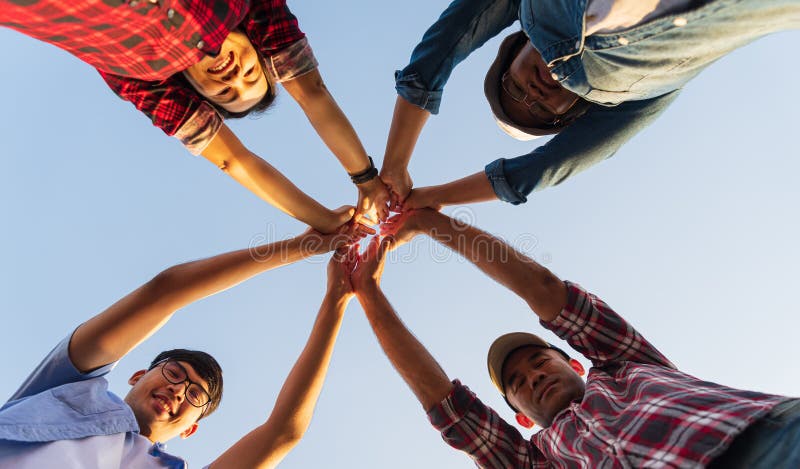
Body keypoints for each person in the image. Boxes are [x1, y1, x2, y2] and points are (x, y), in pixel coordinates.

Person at [344, 210, 800, 467]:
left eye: (538, 362)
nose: (533, 376)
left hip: (766, 440)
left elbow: (544, 290)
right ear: (521, 419)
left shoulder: (623, 363)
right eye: (518, 383)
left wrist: (430, 223)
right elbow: (447, 407)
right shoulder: (536, 461)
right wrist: (368, 293)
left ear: (576, 362)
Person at [0, 222, 368, 468]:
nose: (178, 389)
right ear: (138, 375)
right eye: (174, 373)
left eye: (195, 396)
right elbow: (164, 293)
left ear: (191, 429)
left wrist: (336, 301)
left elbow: (282, 433)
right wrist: (299, 247)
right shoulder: (71, 387)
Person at [0, 0, 389, 231]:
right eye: (252, 74)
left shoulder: (140, 78)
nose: (235, 78)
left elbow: (234, 160)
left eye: (224, 94)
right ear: (258, 45)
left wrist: (321, 219)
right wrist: (367, 179)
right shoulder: (246, 7)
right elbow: (311, 91)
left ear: (195, 94)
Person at [379, 0, 800, 211]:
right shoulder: (639, 98)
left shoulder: (531, 12)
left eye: (513, 87)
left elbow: (448, 40)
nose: (533, 93)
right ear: (575, 114)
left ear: (515, 49)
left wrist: (394, 166)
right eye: (540, 112)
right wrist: (428, 199)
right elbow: (540, 170)